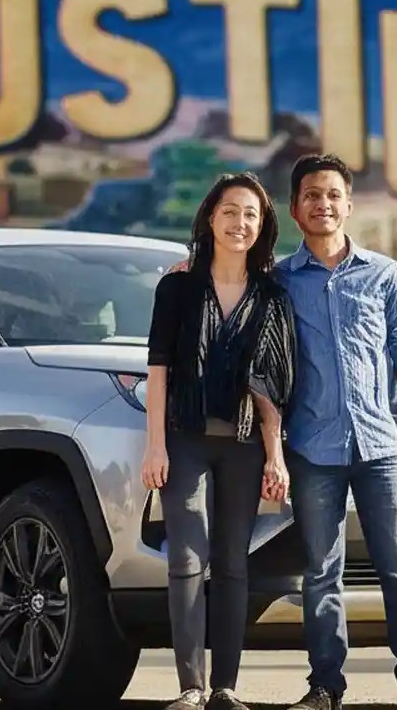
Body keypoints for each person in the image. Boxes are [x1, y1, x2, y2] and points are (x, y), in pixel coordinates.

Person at [278, 154, 397, 710]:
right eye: (311, 196)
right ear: (296, 208)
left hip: (380, 445)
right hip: (310, 448)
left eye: (332, 195)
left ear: (348, 204)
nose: (323, 204)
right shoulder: (279, 280)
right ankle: (325, 686)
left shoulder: (384, 274)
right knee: (321, 573)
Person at [144, 172, 297, 710]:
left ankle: (226, 688)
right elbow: (157, 368)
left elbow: (272, 385)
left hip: (245, 444)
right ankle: (190, 686)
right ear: (211, 218)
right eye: (230, 211)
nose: (240, 223)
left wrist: (274, 455)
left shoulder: (273, 295)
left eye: (251, 214)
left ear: (263, 226)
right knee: (186, 559)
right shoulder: (178, 286)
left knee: (234, 563)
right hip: (183, 440)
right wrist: (154, 445)